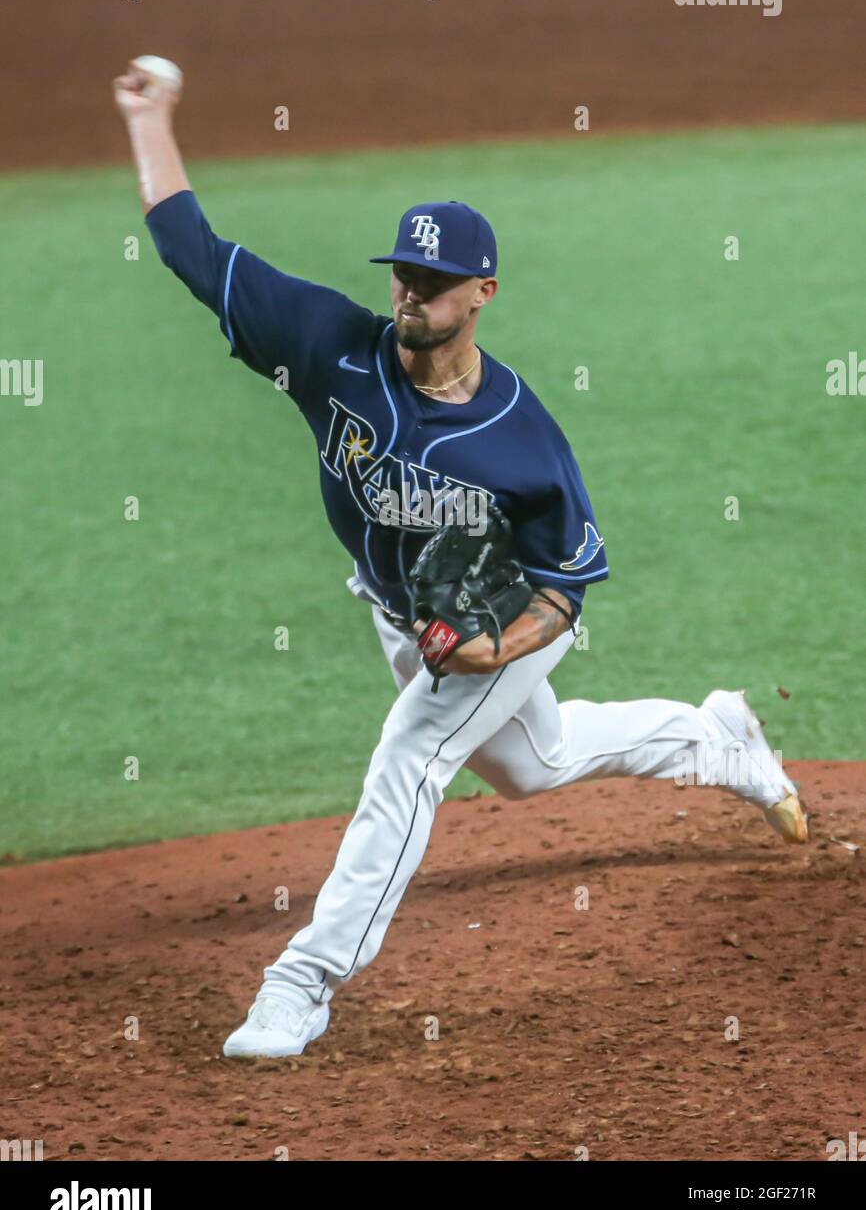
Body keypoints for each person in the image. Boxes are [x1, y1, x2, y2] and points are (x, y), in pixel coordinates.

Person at [113, 60, 808, 1061]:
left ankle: (299, 984)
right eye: (402, 273)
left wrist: (497, 648)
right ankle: (717, 737)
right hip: (406, 613)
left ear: (480, 294)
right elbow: (189, 244)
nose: (410, 293)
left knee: (410, 759)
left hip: (503, 620)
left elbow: (566, 586)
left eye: (435, 284)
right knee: (537, 762)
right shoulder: (326, 345)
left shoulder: (522, 437)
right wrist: (150, 116)